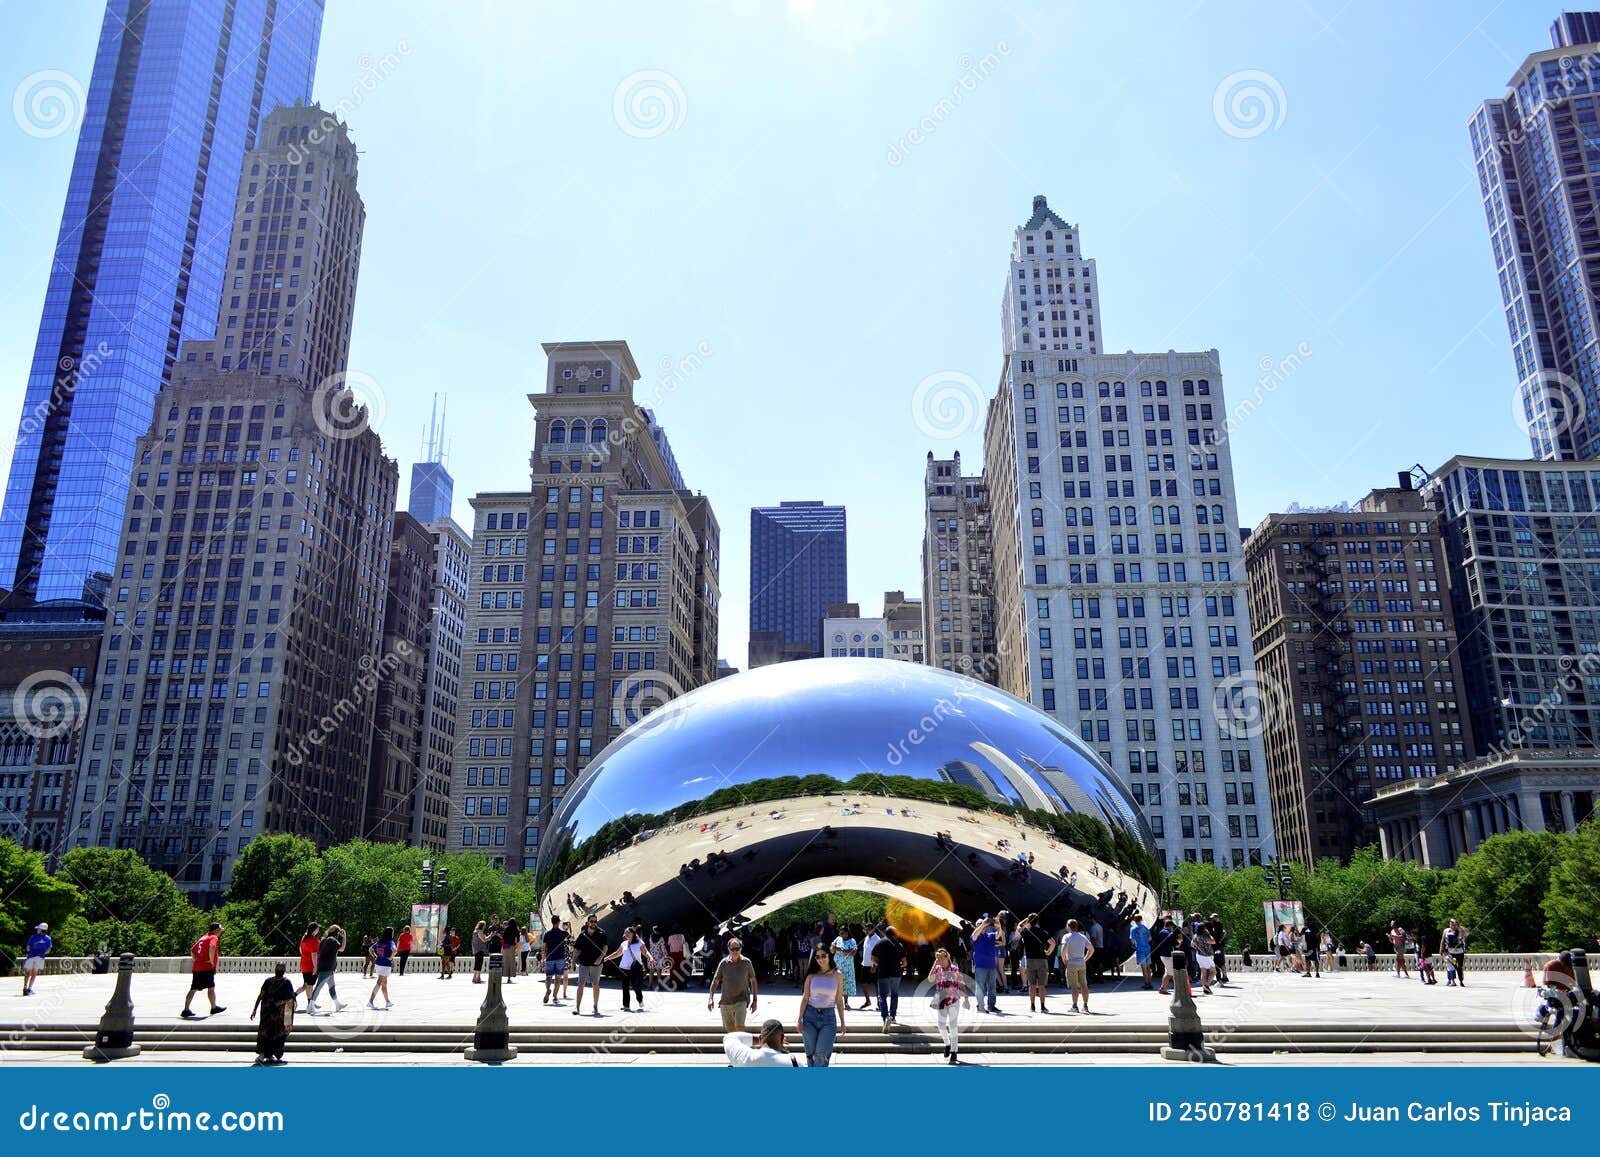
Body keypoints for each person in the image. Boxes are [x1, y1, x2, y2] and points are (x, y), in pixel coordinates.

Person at [797, 943, 847, 1066]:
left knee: (821, 1056)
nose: (821, 959)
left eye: (823, 956)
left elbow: (839, 1000)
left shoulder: (838, 975)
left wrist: (843, 1022)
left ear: (829, 955)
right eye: (817, 957)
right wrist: (799, 1019)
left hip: (828, 1018)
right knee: (810, 1055)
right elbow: (805, 998)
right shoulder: (811, 975)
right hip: (810, 1017)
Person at [928, 946, 970, 1064]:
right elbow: (930, 979)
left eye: (941, 958)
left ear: (947, 957)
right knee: (941, 1025)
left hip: (954, 1000)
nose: (940, 960)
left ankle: (954, 1051)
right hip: (941, 1000)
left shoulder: (954, 969)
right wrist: (934, 964)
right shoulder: (937, 968)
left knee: (953, 1026)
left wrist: (966, 998)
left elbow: (961, 984)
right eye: (938, 958)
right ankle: (947, 1043)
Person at [707, 937, 759, 1029]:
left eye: (737, 949)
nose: (735, 951)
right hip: (726, 1001)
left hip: (742, 999)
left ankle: (742, 1036)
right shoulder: (723, 963)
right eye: (732, 949)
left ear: (741, 948)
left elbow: (753, 981)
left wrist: (755, 1000)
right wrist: (710, 998)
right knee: (730, 1030)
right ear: (728, 949)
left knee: (739, 1027)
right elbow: (715, 982)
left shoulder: (747, 962)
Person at [251, 962, 297, 1065]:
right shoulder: (268, 981)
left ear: (284, 970)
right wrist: (254, 1010)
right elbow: (261, 996)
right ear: (275, 969)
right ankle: (262, 1055)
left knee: (278, 1035)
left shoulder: (287, 983)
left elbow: (291, 998)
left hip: (279, 1016)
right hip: (267, 1014)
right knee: (264, 1034)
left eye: (282, 969)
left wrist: (281, 1003)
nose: (280, 970)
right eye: (278, 968)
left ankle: (273, 1056)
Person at [181, 921, 226, 1018]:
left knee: (193, 989)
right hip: (206, 967)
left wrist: (196, 961)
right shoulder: (213, 937)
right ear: (216, 930)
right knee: (211, 987)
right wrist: (211, 961)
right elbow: (212, 947)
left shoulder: (204, 937)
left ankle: (186, 1009)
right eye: (220, 930)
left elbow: (193, 950)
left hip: (197, 968)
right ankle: (214, 1008)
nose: (220, 932)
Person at [607, 925, 652, 1011]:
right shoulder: (624, 944)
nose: (626, 934)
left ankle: (640, 999)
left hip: (635, 968)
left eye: (628, 932)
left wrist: (650, 957)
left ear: (633, 933)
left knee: (636, 986)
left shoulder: (639, 942)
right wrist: (607, 958)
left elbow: (645, 952)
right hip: (624, 968)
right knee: (625, 987)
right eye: (625, 932)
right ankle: (626, 1005)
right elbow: (617, 953)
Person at [723, 1018, 798, 1067]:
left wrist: (761, 1039)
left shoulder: (746, 1057)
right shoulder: (794, 1063)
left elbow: (730, 1037)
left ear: (760, 1038)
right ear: (782, 1038)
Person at [1018, 913, 1055, 1012]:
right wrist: (1048, 952)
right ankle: (1042, 1006)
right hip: (1042, 959)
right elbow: (1053, 943)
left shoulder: (1025, 932)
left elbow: (1018, 926)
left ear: (1029, 921)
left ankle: (1032, 1006)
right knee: (1042, 985)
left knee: (1032, 985)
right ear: (1037, 921)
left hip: (1030, 960)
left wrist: (1026, 920)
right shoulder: (1042, 931)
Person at [572, 914, 608, 1016]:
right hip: (584, 962)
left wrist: (600, 958)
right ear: (587, 923)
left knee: (595, 984)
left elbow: (605, 947)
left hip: (597, 963)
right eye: (591, 921)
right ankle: (577, 1007)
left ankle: (595, 1005)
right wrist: (573, 962)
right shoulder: (582, 935)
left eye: (595, 921)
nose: (593, 923)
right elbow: (576, 950)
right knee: (581, 983)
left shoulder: (602, 933)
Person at [871, 924, 906, 1026]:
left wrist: (878, 964)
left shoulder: (879, 943)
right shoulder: (899, 945)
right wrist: (899, 965)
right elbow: (905, 962)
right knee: (894, 994)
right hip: (896, 973)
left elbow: (872, 958)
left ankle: (885, 1017)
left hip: (883, 973)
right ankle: (893, 1016)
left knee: (882, 996)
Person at [1059, 918, 1095, 1012]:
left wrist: (1064, 960)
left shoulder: (1066, 936)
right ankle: (1085, 1006)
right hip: (1081, 963)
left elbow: (1063, 950)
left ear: (1068, 926)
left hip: (1072, 963)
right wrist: (1085, 959)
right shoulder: (1082, 937)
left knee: (1074, 986)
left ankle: (1075, 1006)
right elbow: (1091, 949)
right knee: (1084, 985)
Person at [309, 925, 346, 1014]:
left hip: (325, 967)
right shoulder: (332, 940)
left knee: (332, 987)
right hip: (327, 968)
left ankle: (337, 1005)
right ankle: (310, 1007)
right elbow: (342, 949)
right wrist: (344, 937)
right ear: (337, 933)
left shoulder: (324, 940)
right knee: (319, 987)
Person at [970, 913, 1001, 1013]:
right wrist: (983, 924)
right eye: (978, 924)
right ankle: (980, 1006)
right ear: (976, 926)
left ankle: (991, 1006)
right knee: (980, 987)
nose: (982, 924)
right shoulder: (975, 936)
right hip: (980, 966)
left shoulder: (990, 935)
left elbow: (999, 935)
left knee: (992, 987)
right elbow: (974, 936)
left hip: (991, 965)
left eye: (983, 923)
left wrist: (998, 925)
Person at [542, 917, 571, 1005]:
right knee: (558, 979)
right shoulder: (563, 933)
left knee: (548, 977)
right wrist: (569, 927)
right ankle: (555, 996)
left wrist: (543, 960)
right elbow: (572, 937)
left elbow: (544, 948)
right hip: (560, 958)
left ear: (552, 922)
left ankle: (548, 989)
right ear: (558, 922)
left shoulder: (547, 933)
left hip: (550, 958)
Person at [369, 926, 396, 1009]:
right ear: (390, 934)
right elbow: (395, 950)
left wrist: (374, 955)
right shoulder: (390, 942)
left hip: (378, 963)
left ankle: (387, 1002)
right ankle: (370, 1001)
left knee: (384, 983)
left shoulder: (380, 941)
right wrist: (391, 957)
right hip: (385, 964)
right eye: (393, 932)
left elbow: (370, 949)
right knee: (379, 983)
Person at [22, 922, 51, 997]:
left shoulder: (33, 937)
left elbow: (28, 948)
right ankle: (29, 989)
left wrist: (31, 951)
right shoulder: (48, 938)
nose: (37, 930)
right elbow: (48, 950)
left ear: (41, 930)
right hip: (40, 957)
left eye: (38, 929)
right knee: (34, 973)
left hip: (31, 956)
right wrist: (42, 953)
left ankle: (25, 987)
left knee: (28, 972)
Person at [831, 925, 859, 1004]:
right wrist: (834, 948)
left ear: (847, 933)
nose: (841, 935)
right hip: (837, 965)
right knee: (836, 982)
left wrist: (842, 950)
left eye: (843, 933)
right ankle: (835, 1001)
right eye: (840, 933)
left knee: (846, 984)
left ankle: (845, 1002)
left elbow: (853, 953)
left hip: (847, 967)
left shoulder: (852, 941)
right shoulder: (837, 939)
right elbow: (832, 951)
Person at [295, 922, 320, 1009]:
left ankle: (310, 1002)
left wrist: (305, 956)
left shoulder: (304, 937)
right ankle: (310, 1004)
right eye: (317, 929)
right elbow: (314, 955)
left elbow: (300, 950)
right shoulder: (313, 940)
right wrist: (315, 967)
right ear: (314, 930)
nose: (318, 931)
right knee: (309, 985)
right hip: (310, 966)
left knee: (306, 985)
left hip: (304, 964)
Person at [1153, 917, 1178, 995]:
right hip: (1168, 955)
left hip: (1163, 954)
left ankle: (1164, 987)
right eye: (1172, 927)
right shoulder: (1169, 933)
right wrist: (1178, 941)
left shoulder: (1161, 932)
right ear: (1170, 926)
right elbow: (1176, 944)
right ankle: (1163, 988)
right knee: (1170, 973)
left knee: (1168, 972)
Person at [859, 923, 881, 1011]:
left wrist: (875, 966)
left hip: (873, 965)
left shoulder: (877, 939)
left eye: (868, 929)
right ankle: (868, 1001)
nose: (867, 931)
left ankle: (879, 1003)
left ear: (873, 929)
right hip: (865, 964)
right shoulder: (866, 937)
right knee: (863, 983)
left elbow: (878, 954)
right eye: (866, 929)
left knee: (877, 985)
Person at [1128, 913, 1153, 990]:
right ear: (1141, 919)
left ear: (1134, 920)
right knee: (1148, 967)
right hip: (1147, 948)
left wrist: (1134, 945)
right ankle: (1150, 983)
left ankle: (1146, 983)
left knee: (1143, 967)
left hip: (1140, 949)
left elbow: (1132, 940)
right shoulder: (1145, 928)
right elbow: (1150, 938)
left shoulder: (1133, 928)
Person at [1442, 919, 1469, 987]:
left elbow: (1467, 933)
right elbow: (1443, 940)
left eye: (1454, 925)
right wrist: (1441, 949)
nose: (1452, 926)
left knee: (1459, 967)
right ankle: (1450, 980)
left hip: (1460, 952)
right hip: (1451, 952)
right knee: (1451, 966)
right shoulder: (1446, 930)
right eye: (1451, 924)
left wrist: (1459, 926)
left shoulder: (1460, 930)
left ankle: (1461, 981)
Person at [1193, 922, 1216, 995]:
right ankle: (1207, 985)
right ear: (1204, 929)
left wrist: (1198, 947)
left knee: (1203, 972)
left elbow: (1192, 944)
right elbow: (1213, 942)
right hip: (1207, 956)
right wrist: (1209, 934)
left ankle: (1205, 989)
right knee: (1213, 972)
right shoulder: (1205, 936)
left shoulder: (1195, 936)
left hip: (1199, 955)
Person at [666, 925, 688, 989]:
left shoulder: (670, 937)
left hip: (673, 954)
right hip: (681, 954)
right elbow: (684, 943)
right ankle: (682, 985)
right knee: (681, 969)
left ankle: (672, 984)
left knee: (673, 969)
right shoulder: (682, 936)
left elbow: (668, 944)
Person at [499, 919, 519, 984]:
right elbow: (517, 940)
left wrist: (503, 946)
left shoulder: (507, 929)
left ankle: (504, 974)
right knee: (511, 961)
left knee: (505, 961)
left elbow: (503, 938)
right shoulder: (516, 930)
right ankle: (509, 977)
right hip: (512, 946)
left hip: (506, 945)